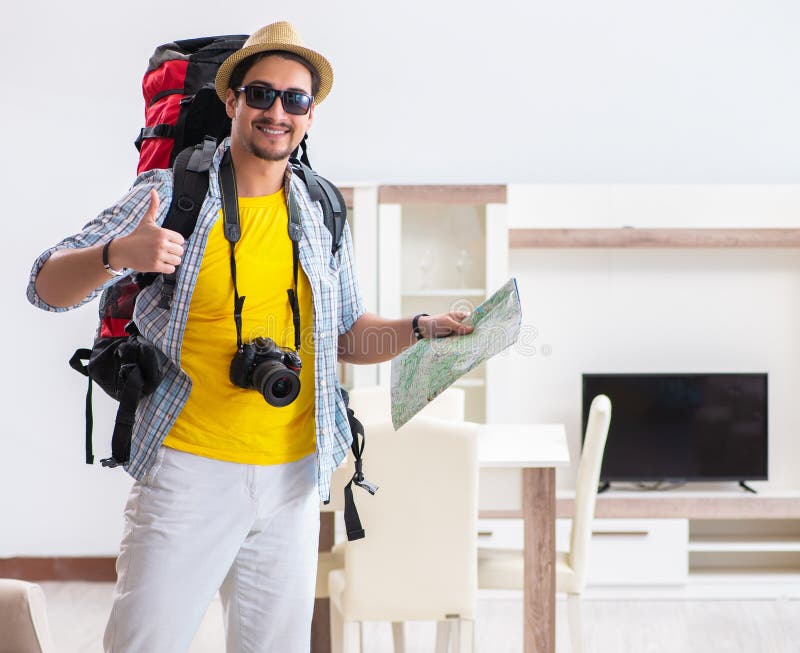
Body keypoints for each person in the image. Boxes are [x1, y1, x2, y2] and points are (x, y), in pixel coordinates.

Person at [27, 20, 472, 653]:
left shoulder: (322, 209)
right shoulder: (171, 194)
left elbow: (346, 337)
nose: (276, 112)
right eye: (260, 93)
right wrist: (117, 253)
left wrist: (423, 330)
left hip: (294, 481)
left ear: (311, 116)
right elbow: (43, 285)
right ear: (231, 99)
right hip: (186, 473)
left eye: (295, 99)